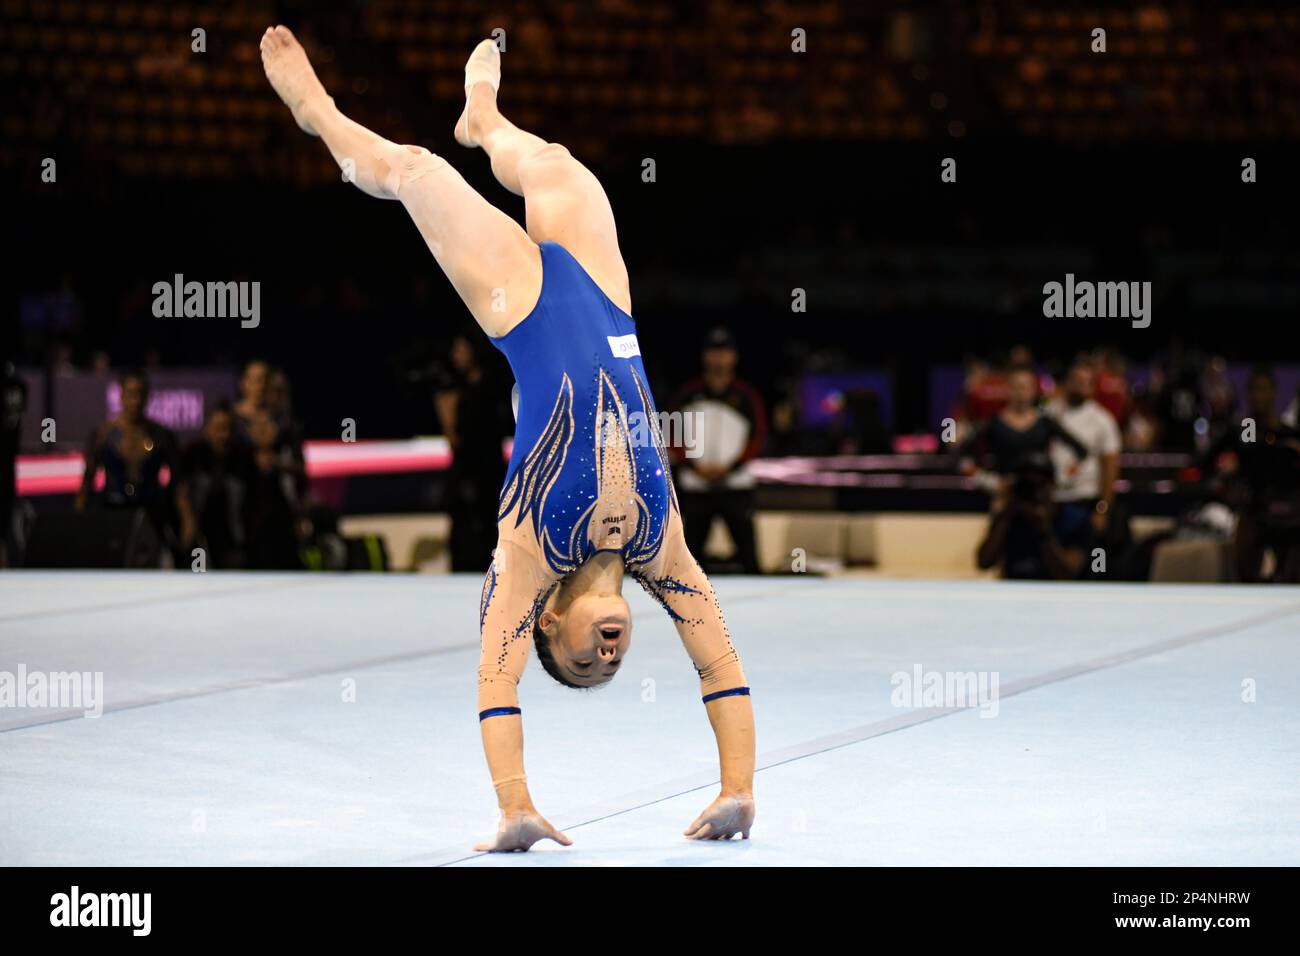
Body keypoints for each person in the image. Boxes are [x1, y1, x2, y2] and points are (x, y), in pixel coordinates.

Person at [262, 26, 754, 850]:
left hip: (522, 311)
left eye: (584, 665)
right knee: (554, 160)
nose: (608, 657)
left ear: (548, 629)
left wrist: (515, 807)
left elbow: (496, 681)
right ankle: (485, 114)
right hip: (607, 300)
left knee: (419, 171)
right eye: (615, 668)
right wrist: (738, 790)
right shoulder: (661, 549)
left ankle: (318, 114)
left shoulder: (525, 555)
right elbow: (719, 667)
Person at [669, 327, 767, 575]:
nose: (719, 358)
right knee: (688, 565)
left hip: (736, 485)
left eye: (724, 352)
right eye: (714, 352)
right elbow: (671, 433)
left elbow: (758, 437)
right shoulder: (688, 394)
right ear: (705, 357)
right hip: (696, 486)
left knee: (750, 561)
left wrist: (730, 467)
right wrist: (693, 467)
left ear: (734, 357)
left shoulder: (746, 396)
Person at [1200, 367, 1300, 582]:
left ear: (1274, 393)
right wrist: (1226, 473)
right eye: (1253, 390)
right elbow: (1206, 464)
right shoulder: (1244, 428)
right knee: (1245, 565)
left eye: (1264, 390)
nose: (1258, 396)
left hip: (1291, 512)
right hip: (1254, 511)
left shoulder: (1287, 431)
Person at [76, 368, 179, 550]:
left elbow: (180, 485)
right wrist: (78, 525)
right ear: (121, 394)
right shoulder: (102, 436)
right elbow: (86, 484)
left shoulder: (162, 436)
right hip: (112, 515)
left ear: (148, 397)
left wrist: (187, 520)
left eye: (141, 394)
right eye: (131, 394)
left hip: (152, 516)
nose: (136, 401)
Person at [436, 332, 512, 571]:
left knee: (488, 527)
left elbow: (463, 437)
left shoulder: (491, 385)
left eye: (461, 349)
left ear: (474, 351)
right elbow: (454, 440)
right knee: (464, 526)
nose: (455, 356)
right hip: (469, 469)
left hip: (486, 470)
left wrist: (448, 412)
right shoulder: (457, 387)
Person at [1045, 359, 1122, 537]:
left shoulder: (1102, 420)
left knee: (1082, 559)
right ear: (1067, 382)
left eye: (1086, 382)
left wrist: (1102, 509)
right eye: (1076, 381)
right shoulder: (1050, 413)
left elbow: (1110, 469)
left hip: (1083, 500)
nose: (1081, 386)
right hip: (1052, 500)